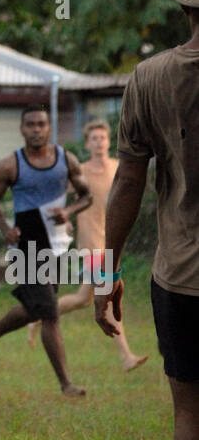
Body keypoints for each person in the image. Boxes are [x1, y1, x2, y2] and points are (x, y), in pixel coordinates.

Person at [102, 0, 199, 440]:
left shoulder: (151, 76)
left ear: (186, 4)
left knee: (190, 415)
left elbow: (128, 179)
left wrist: (105, 270)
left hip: (178, 275)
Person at [0, 106, 90, 396]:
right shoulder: (10, 165)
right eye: (30, 124)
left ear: (48, 128)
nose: (36, 129)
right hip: (25, 246)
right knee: (50, 312)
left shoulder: (66, 160)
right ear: (22, 128)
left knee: (35, 309)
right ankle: (66, 384)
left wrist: (68, 211)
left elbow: (87, 195)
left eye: (41, 124)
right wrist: (5, 229)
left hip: (56, 246)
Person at [28, 119, 147, 372]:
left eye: (103, 138)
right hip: (91, 244)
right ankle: (126, 356)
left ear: (109, 142)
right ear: (87, 143)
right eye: (94, 138)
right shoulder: (79, 172)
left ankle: (39, 315)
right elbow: (60, 200)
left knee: (84, 298)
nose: (99, 142)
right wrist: (66, 221)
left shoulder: (118, 168)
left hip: (111, 242)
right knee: (109, 291)